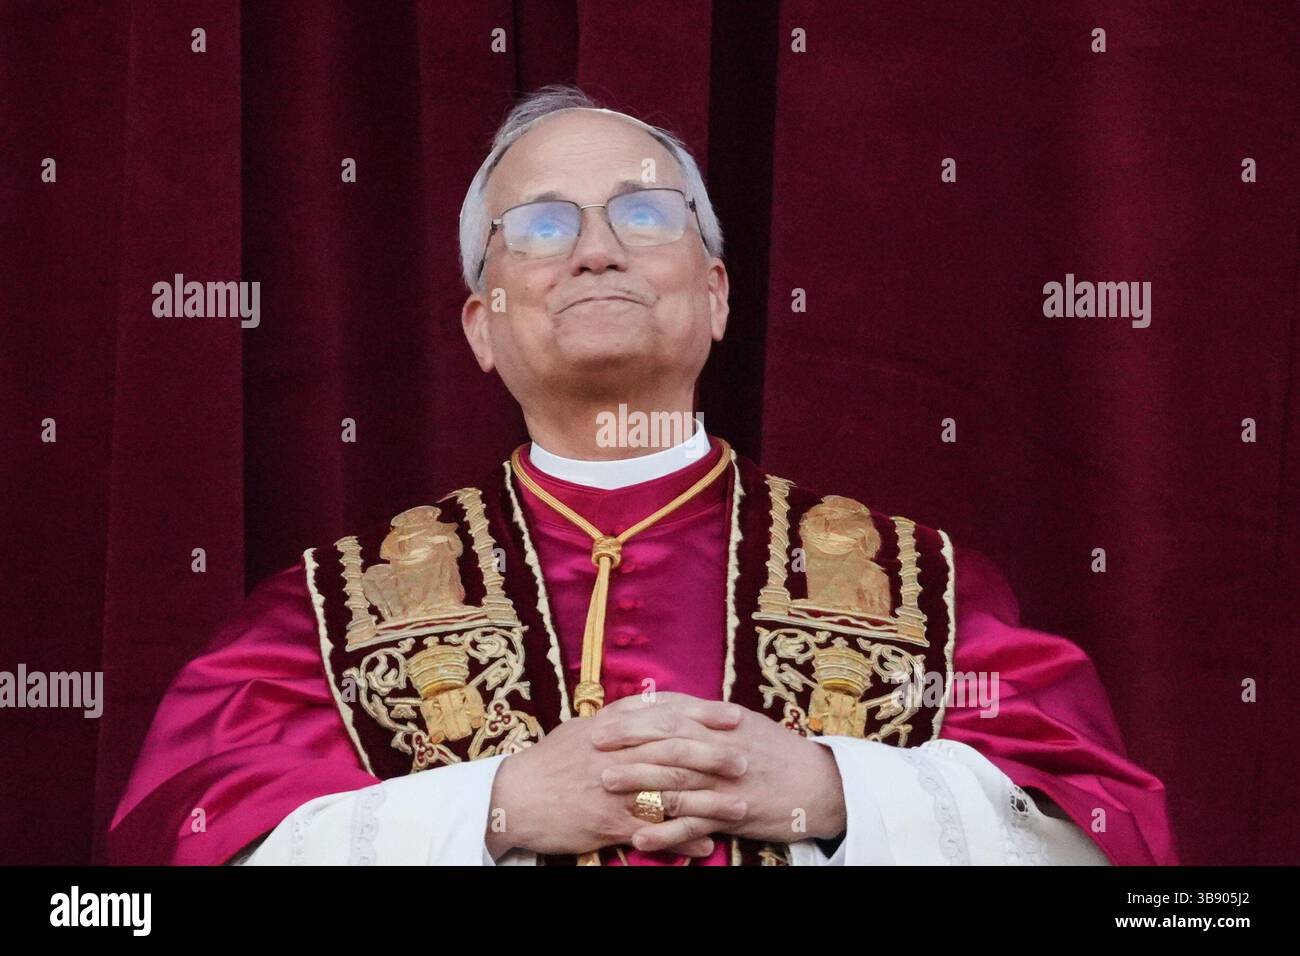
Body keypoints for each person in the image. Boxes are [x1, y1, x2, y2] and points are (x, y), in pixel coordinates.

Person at [108, 84, 1178, 866]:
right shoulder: (326, 612)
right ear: (482, 325)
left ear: (715, 294)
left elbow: (1112, 849)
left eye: (645, 211)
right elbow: (163, 866)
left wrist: (832, 789)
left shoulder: (923, 584)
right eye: (538, 226)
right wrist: (496, 806)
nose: (595, 249)